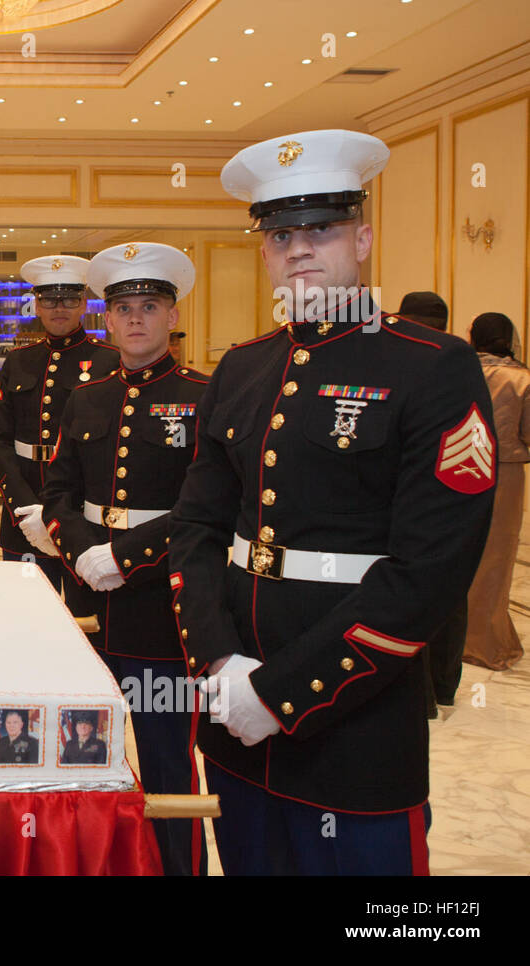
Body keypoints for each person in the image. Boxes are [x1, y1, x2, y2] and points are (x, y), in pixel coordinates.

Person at [169, 129, 496, 875]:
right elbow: (197, 525)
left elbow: (428, 573)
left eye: (322, 228)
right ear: (265, 251)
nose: (300, 248)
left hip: (355, 719)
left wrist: (282, 694)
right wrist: (218, 660)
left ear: (364, 237)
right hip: (234, 713)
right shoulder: (244, 367)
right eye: (282, 233)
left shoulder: (431, 366)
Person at [41, 242, 208, 875]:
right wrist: (83, 552)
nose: (135, 319)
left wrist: (125, 556)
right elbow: (58, 490)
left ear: (171, 316)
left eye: (149, 306)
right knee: (82, 756)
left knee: (167, 759)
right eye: (123, 309)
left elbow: (205, 504)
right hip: (85, 603)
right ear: (105, 321)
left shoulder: (203, 395)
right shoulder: (86, 398)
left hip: (163, 606)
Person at [0, 255, 120, 597]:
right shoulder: (18, 360)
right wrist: (24, 509)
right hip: (23, 513)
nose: (59, 307)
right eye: (49, 299)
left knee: (85, 620)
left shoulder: (110, 360)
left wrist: (66, 514)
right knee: (22, 614)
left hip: (81, 516)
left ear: (84, 304)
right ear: (36, 305)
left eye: (70, 298)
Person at [396, 291, 465, 716]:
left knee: (413, 594)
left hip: (412, 498)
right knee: (449, 594)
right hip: (446, 499)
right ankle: (441, 688)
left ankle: (428, 692)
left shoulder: (404, 361)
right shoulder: (453, 359)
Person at [465, 312, 530, 671]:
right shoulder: (521, 378)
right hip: (504, 473)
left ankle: (451, 636)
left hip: (459, 466)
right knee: (496, 555)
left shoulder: (460, 370)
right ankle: (485, 642)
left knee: (461, 549)